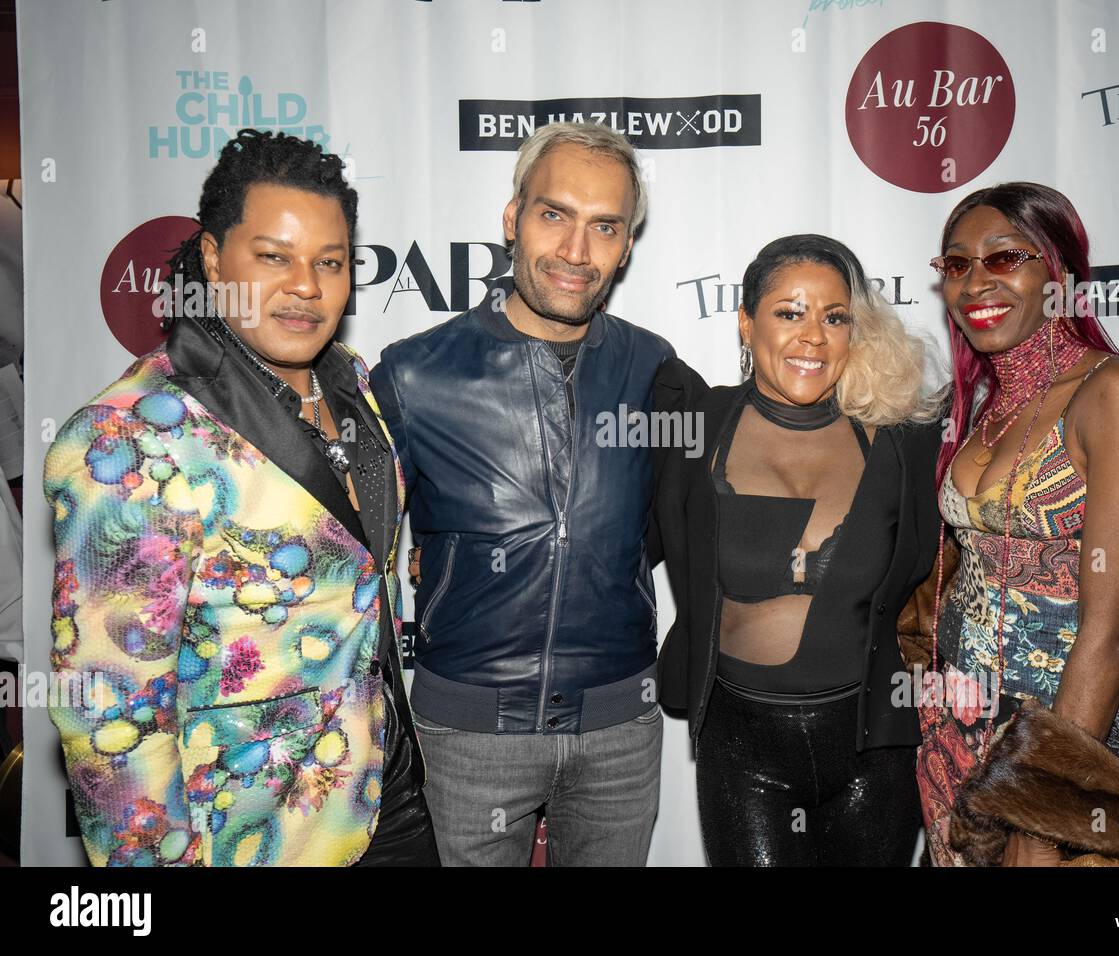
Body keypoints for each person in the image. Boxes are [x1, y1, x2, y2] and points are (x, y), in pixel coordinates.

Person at [44, 129, 438, 866]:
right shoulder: (130, 436)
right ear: (214, 258)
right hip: (248, 833)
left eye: (329, 262)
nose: (306, 286)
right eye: (274, 257)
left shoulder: (351, 381)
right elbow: (109, 719)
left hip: (389, 794)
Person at [370, 122, 704, 866]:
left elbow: (666, 519)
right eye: (555, 214)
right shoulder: (415, 374)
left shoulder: (652, 367)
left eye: (605, 226)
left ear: (626, 244)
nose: (576, 251)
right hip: (467, 733)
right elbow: (355, 552)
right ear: (512, 218)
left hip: (620, 731)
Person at [654, 234, 947, 866]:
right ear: (746, 323)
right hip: (742, 748)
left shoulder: (902, 440)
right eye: (790, 312)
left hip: (875, 744)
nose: (813, 336)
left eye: (834, 318)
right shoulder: (695, 426)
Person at [918, 181, 1119, 867]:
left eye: (1005, 257)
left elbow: (1113, 629)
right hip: (958, 730)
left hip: (1067, 742)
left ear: (1058, 270)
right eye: (956, 264)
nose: (976, 281)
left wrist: (1041, 817)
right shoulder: (982, 403)